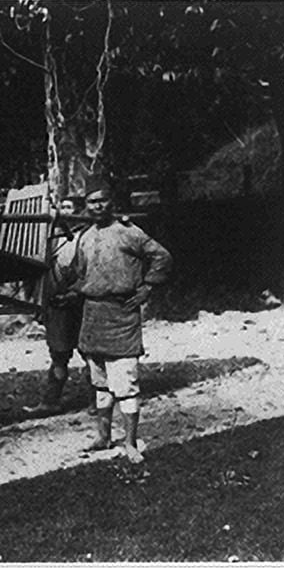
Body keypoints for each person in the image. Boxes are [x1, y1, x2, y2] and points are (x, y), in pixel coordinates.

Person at [65, 176, 172, 462]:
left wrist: (147, 287)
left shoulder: (130, 232)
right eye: (91, 202)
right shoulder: (84, 237)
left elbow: (162, 257)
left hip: (122, 315)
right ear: (85, 205)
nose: (97, 206)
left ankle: (131, 443)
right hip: (93, 316)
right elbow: (81, 275)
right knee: (99, 383)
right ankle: (103, 436)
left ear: (112, 202)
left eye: (102, 200)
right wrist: (69, 293)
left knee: (125, 384)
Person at [23, 194, 95, 416]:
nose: (64, 211)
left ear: (80, 211)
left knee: (90, 353)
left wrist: (75, 293)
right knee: (59, 354)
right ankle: (51, 401)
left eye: (69, 207)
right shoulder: (51, 236)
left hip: (83, 302)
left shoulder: (89, 235)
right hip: (56, 302)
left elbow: (92, 271)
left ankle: (98, 401)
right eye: (61, 207)